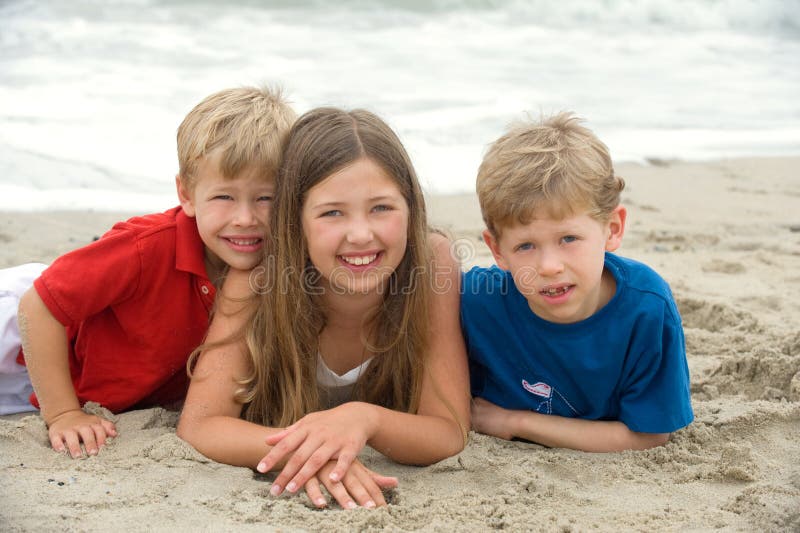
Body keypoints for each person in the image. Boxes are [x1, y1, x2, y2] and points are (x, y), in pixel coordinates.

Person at [177, 107, 470, 509]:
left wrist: (365, 419)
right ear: (295, 220)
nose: (361, 234)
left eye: (382, 207)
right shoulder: (260, 279)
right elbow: (199, 426)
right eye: (332, 212)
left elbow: (449, 431)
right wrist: (312, 453)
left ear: (411, 208)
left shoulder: (432, 264)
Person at [9, 86, 295, 459]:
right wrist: (63, 413)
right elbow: (37, 307)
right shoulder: (147, 247)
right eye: (224, 197)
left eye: (266, 198)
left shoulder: (280, 267)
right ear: (187, 194)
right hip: (21, 342)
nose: (245, 219)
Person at [462, 112, 693, 452]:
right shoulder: (475, 302)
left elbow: (649, 435)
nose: (549, 266)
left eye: (569, 238)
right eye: (525, 245)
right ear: (497, 249)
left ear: (612, 229)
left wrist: (515, 422)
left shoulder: (646, 309)